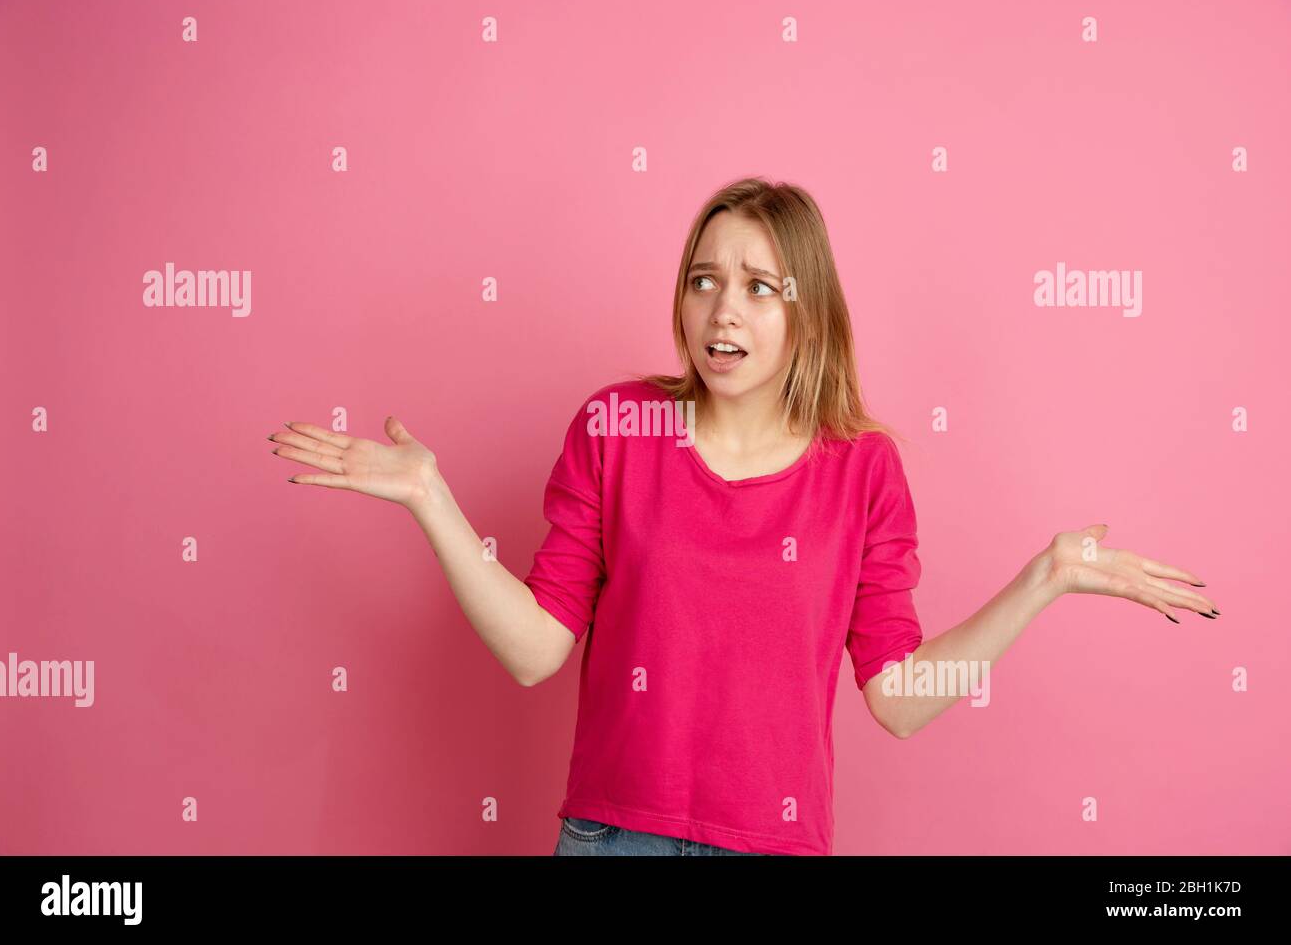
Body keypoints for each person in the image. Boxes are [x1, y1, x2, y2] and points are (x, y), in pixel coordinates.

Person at [267, 177, 1219, 856]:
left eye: (760, 286)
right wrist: (432, 499)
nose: (723, 307)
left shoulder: (864, 471)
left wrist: (1042, 579)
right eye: (704, 278)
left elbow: (898, 698)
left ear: (807, 311)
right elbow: (534, 650)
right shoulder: (618, 426)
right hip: (611, 840)